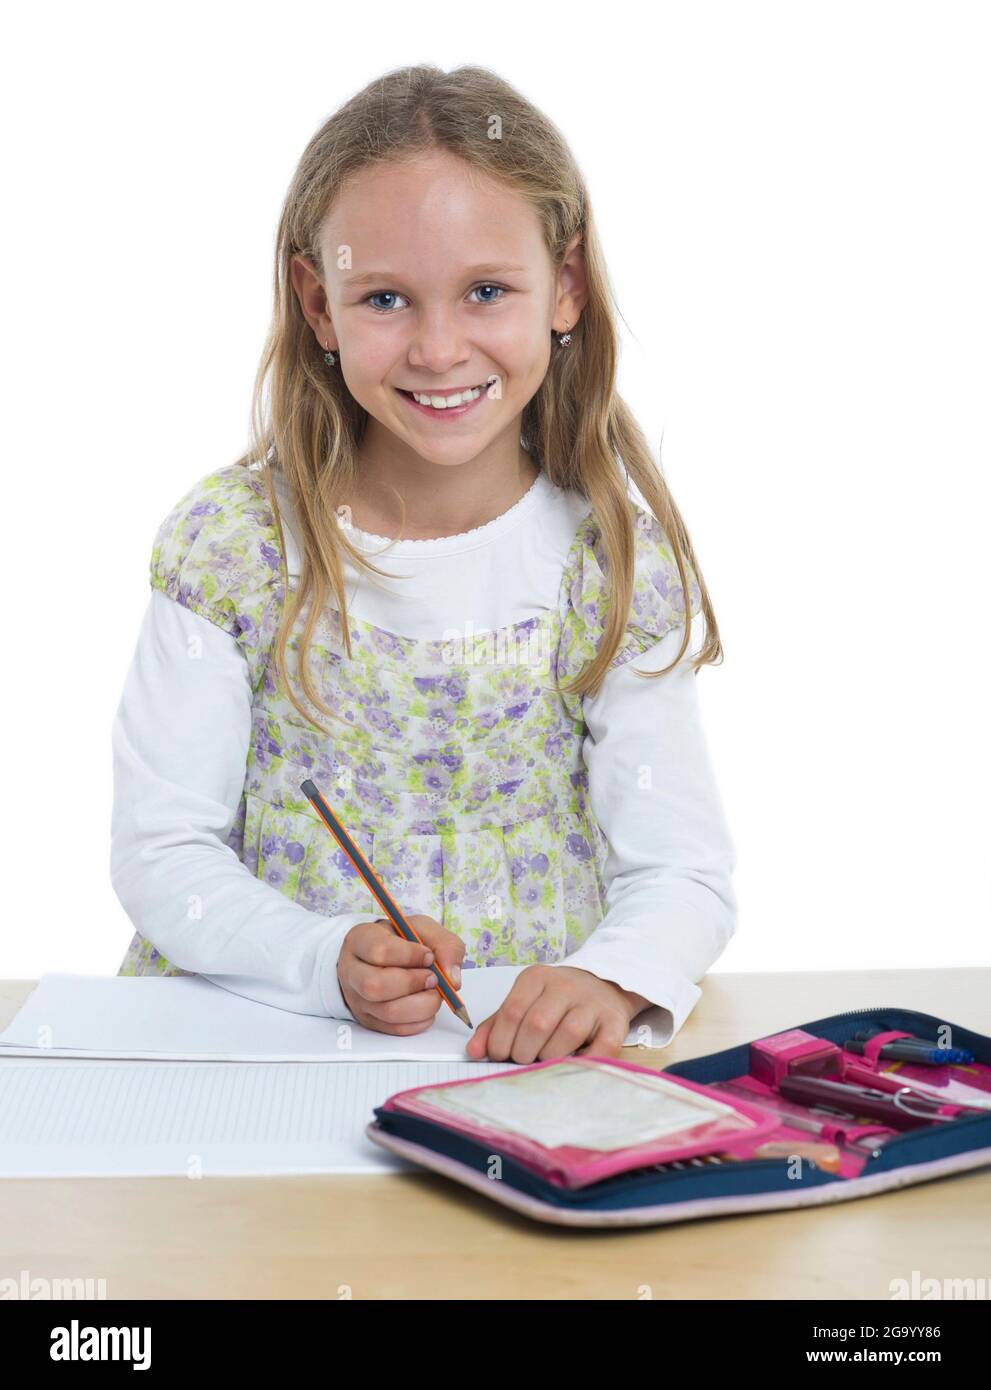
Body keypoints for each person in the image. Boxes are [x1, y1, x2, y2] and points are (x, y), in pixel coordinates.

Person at [111, 63, 738, 1064]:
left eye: (486, 290)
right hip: (258, 1052)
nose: (439, 348)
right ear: (318, 305)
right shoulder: (231, 550)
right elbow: (163, 854)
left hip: (510, 1073)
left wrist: (613, 975)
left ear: (564, 289)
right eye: (386, 298)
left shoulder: (603, 558)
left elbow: (680, 870)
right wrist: (322, 957)